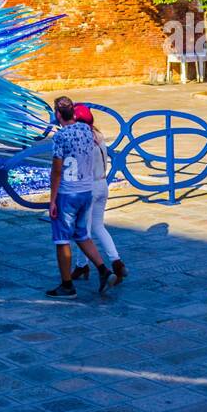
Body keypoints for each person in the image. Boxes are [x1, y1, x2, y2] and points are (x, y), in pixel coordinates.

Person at [47, 96, 115, 298]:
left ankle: (67, 284)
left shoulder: (60, 137)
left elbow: (57, 170)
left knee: (61, 240)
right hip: (86, 190)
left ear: (58, 114)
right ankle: (103, 270)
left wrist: (52, 200)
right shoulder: (87, 130)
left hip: (68, 191)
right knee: (82, 234)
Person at [71, 104, 126, 284]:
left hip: (89, 187)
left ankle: (82, 265)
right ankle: (116, 261)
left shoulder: (82, 140)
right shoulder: (98, 136)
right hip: (102, 184)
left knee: (83, 231)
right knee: (97, 226)